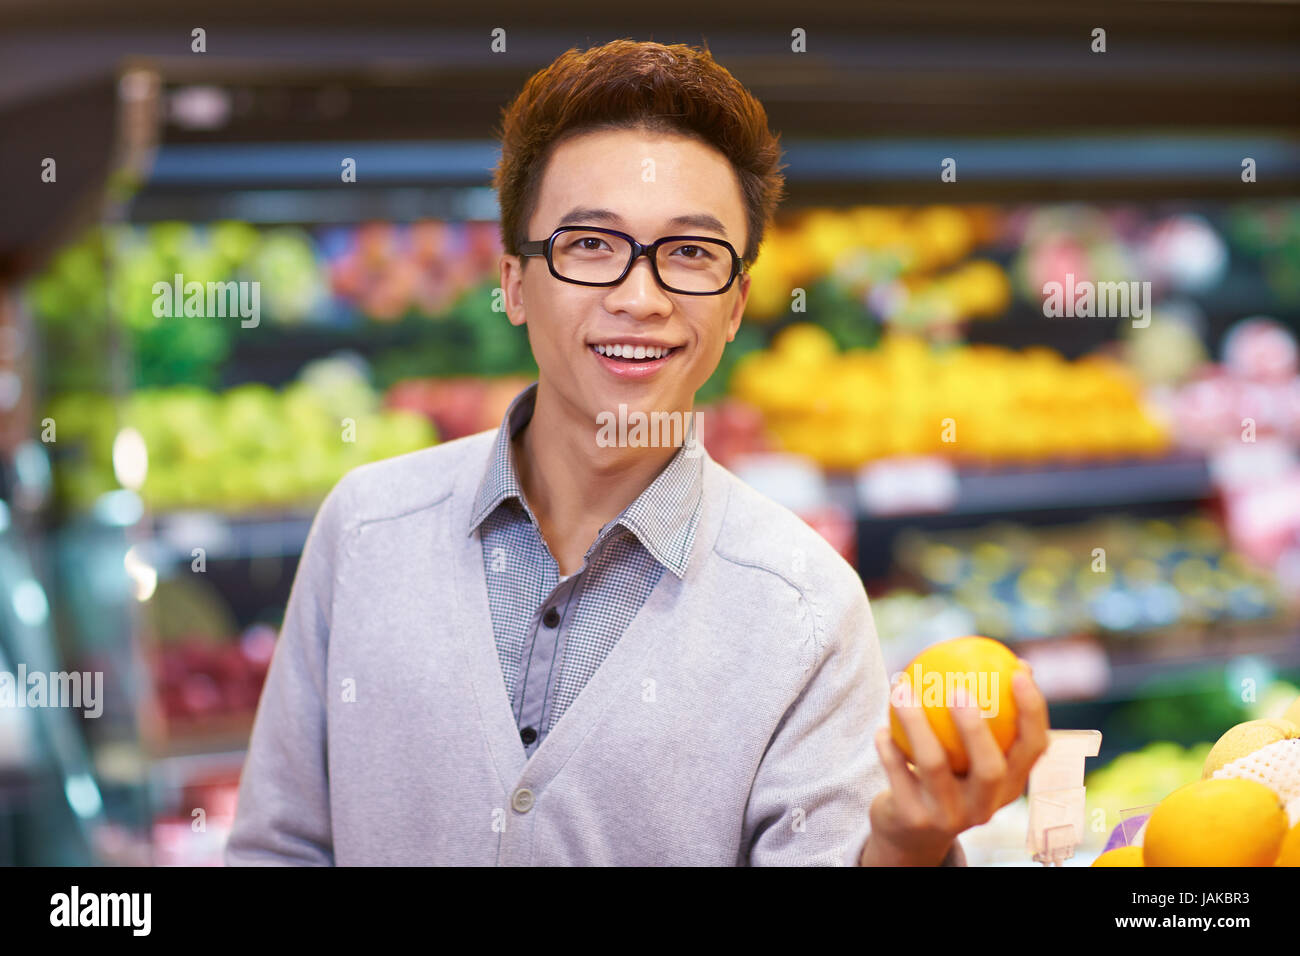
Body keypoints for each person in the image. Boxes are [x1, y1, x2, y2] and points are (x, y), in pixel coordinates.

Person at [225, 38, 1049, 866]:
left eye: (691, 253)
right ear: (513, 281)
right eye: (590, 245)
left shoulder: (806, 607)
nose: (640, 298)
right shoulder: (369, 528)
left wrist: (906, 848)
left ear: (735, 308)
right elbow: (280, 847)